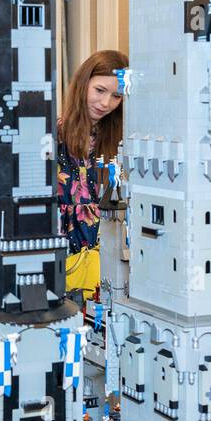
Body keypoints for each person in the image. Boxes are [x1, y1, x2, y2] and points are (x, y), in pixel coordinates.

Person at [55, 49, 127, 297]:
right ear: (83, 83)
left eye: (116, 96)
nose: (106, 103)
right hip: (60, 261)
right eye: (99, 90)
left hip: (108, 263)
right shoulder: (50, 138)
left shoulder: (122, 144)